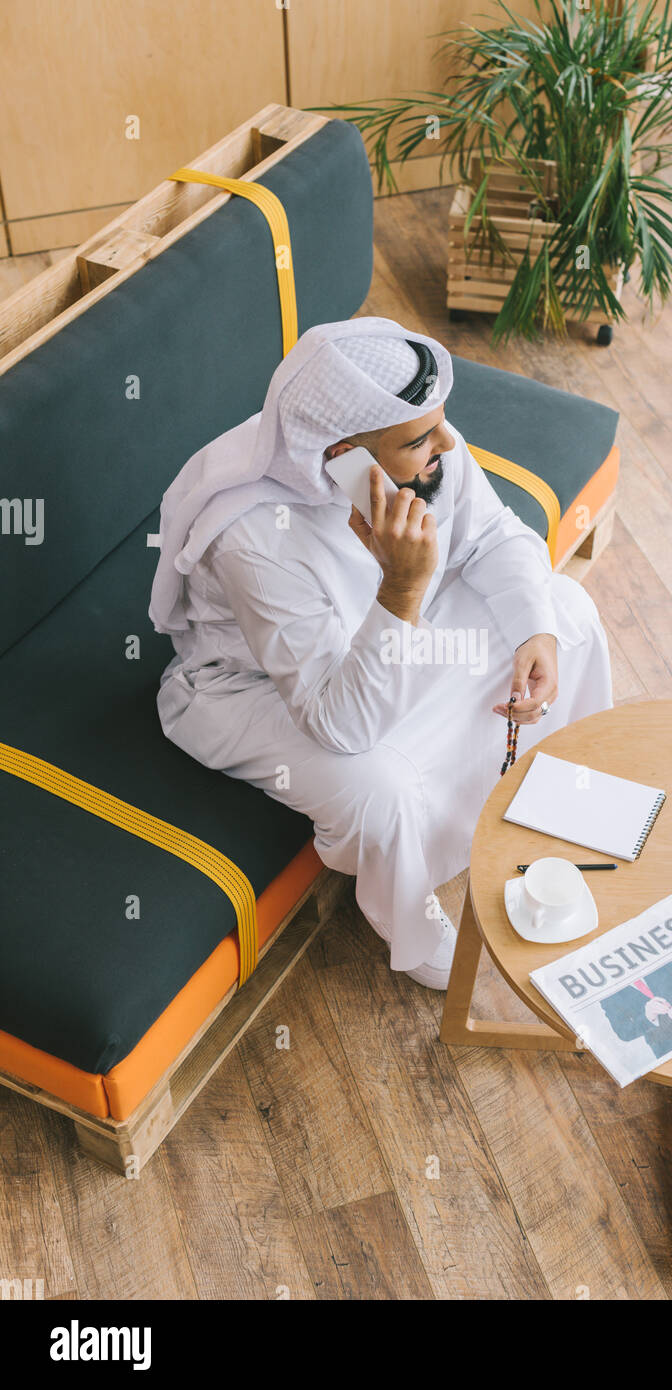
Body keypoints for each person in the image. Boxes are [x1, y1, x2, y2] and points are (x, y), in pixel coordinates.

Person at [149, 316, 613, 988]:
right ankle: (412, 928)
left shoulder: (424, 448)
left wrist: (530, 633)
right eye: (420, 438)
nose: (447, 444)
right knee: (380, 790)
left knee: (565, 612)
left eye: (438, 424)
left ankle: (551, 796)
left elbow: (492, 535)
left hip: (388, 633)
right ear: (343, 455)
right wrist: (403, 587)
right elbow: (339, 725)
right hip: (255, 691)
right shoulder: (253, 540)